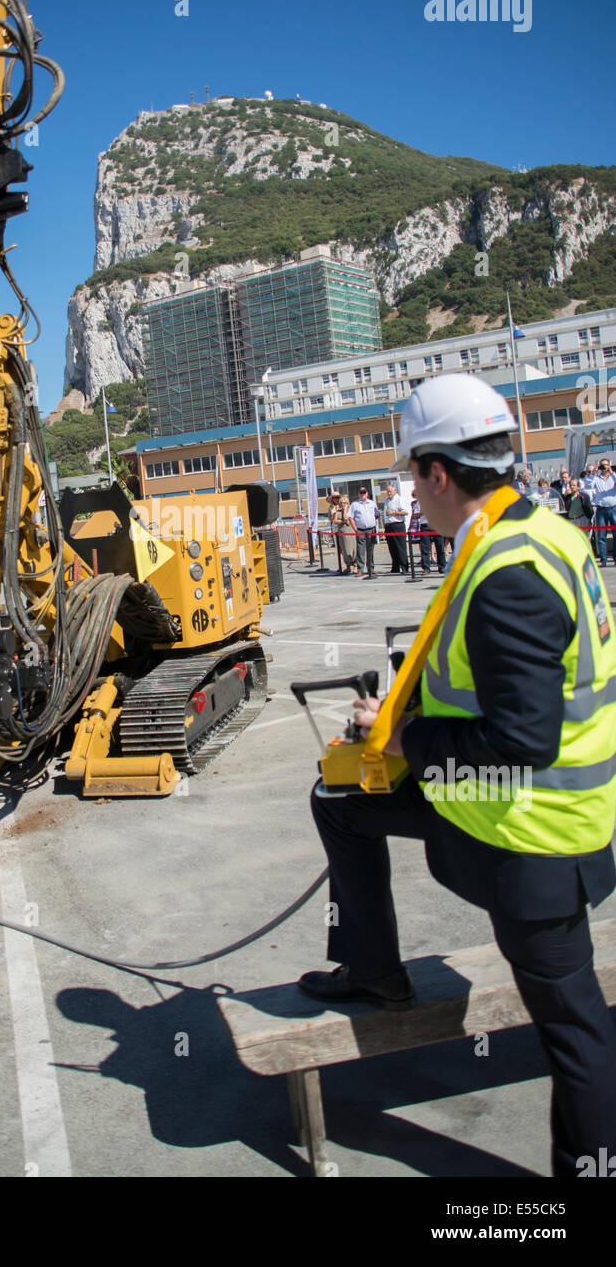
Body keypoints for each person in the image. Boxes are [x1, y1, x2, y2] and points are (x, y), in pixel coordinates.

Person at [298, 373, 616, 1179]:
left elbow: (521, 739)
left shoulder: (507, 570)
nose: (413, 490)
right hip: (499, 805)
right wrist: (407, 707)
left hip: (528, 830)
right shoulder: (540, 531)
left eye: (412, 474)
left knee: (575, 1032)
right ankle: (373, 968)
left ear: (438, 473)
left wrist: (406, 738)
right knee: (341, 800)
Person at [589, 457, 616, 567]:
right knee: (601, 536)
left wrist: (611, 472)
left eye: (605, 465)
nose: (603, 467)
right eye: (602, 465)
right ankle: (603, 559)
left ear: (609, 465)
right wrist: (592, 473)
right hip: (601, 509)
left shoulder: (613, 477)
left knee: (615, 534)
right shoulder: (596, 478)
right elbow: (589, 486)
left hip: (613, 508)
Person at [348, 486, 379, 579]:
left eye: (364, 492)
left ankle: (371, 568)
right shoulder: (354, 504)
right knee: (360, 550)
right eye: (361, 492)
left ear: (367, 493)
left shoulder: (372, 503)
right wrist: (355, 529)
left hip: (371, 529)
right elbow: (350, 517)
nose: (362, 494)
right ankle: (360, 569)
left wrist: (373, 520)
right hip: (360, 530)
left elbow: (377, 514)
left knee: (370, 549)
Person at [382, 482, 410, 574]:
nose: (389, 493)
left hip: (397, 525)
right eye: (387, 491)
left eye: (390, 491)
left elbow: (405, 512)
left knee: (400, 547)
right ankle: (395, 567)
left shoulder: (399, 499)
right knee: (392, 547)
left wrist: (394, 512)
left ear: (395, 491)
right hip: (389, 526)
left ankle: (404, 567)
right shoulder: (387, 500)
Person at [330, 495, 357, 575]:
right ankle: (348, 566)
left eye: (344, 503)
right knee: (345, 550)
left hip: (350, 532)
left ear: (348, 503)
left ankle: (356, 565)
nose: (343, 504)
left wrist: (345, 511)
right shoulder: (337, 511)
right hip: (342, 532)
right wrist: (342, 521)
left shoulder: (350, 511)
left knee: (352, 549)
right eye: (341, 503)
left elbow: (346, 519)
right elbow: (335, 520)